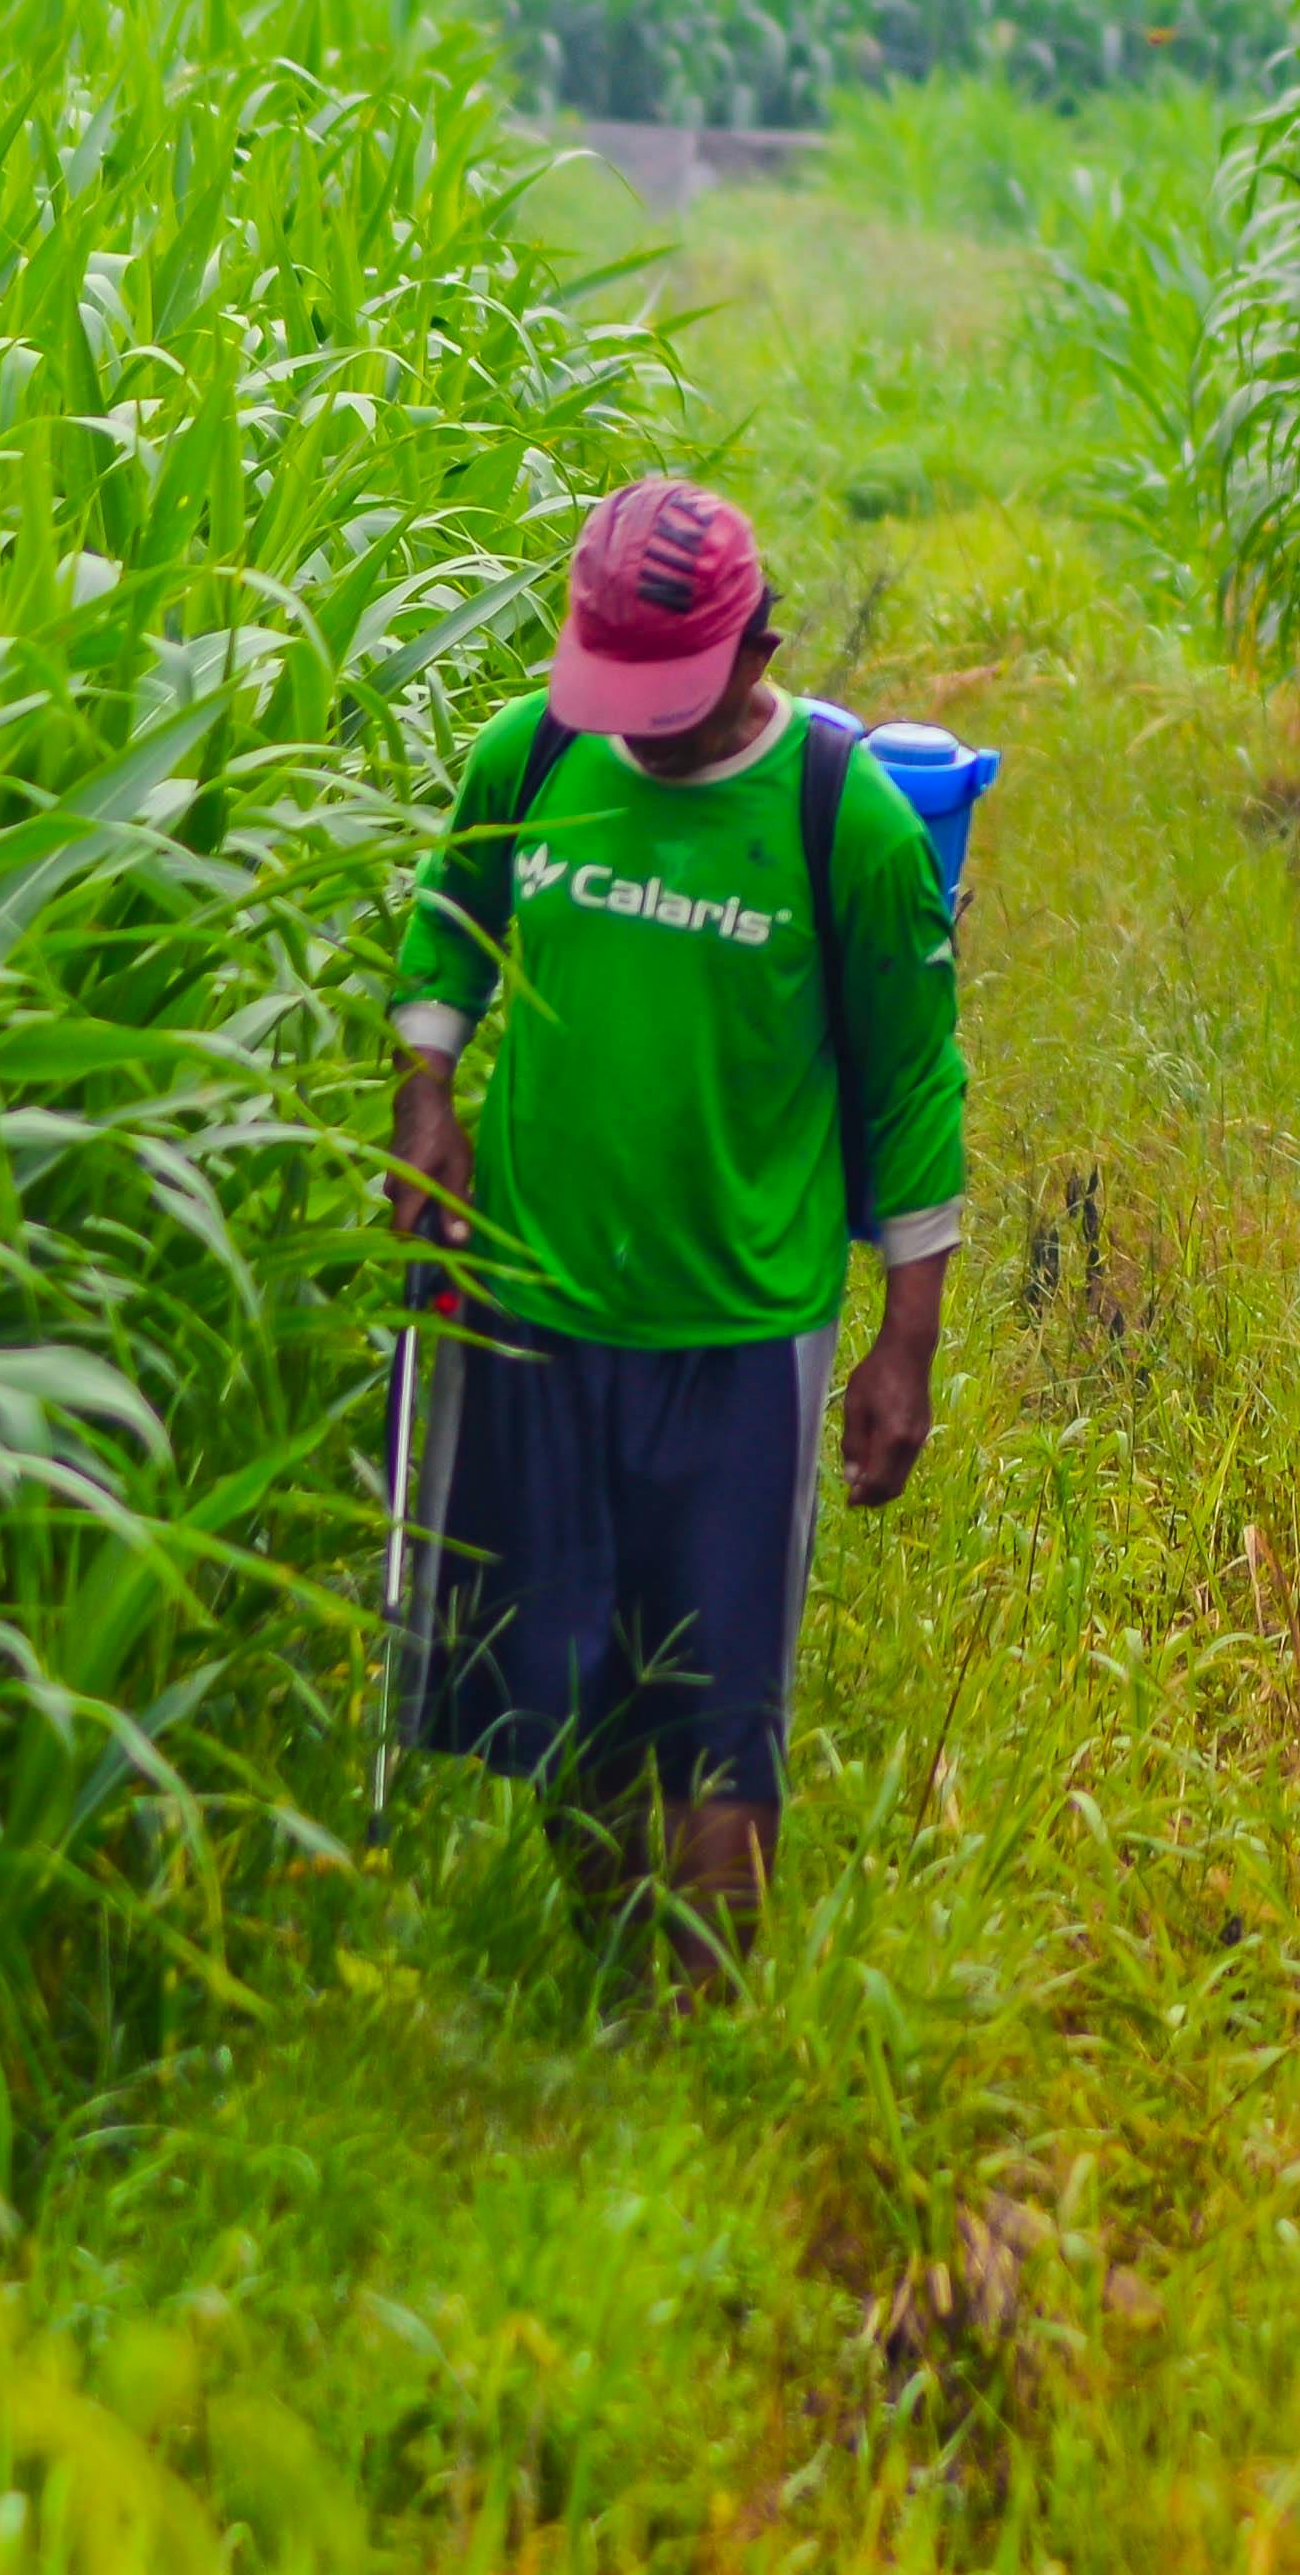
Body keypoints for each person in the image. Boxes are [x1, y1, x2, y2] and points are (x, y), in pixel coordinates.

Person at [384, 477, 965, 1970]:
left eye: (670, 693)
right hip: (533, 1299)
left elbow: (912, 1090)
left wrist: (906, 1343)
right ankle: (602, 1973)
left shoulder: (849, 821)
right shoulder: (537, 750)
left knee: (716, 1717)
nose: (636, 723)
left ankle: (698, 2031)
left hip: (739, 1330)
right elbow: (453, 916)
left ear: (757, 653)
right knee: (554, 1676)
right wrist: (425, 1090)